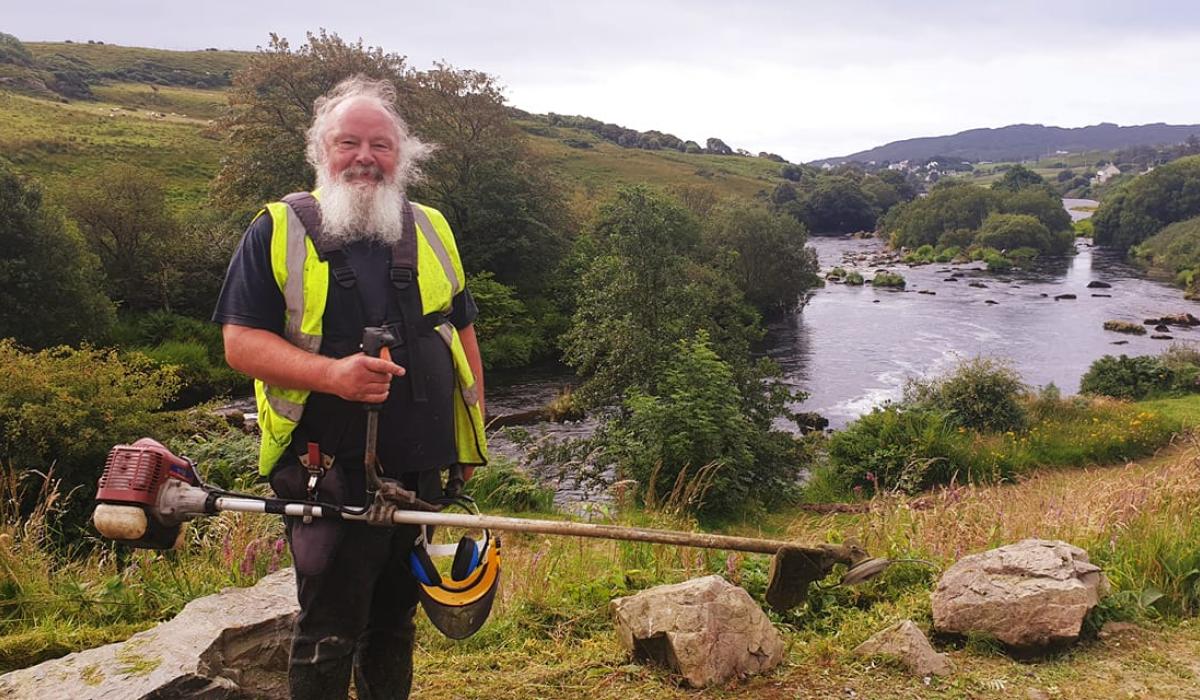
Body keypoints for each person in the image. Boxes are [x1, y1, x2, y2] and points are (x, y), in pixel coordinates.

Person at [213, 75, 488, 699]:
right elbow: (240, 344)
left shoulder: (433, 228)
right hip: (326, 470)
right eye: (349, 143)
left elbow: (460, 329)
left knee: (396, 620)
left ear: (403, 155)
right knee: (330, 628)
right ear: (321, 152)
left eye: (381, 145)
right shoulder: (276, 230)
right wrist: (332, 375)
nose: (365, 157)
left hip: (421, 469)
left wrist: (469, 436)